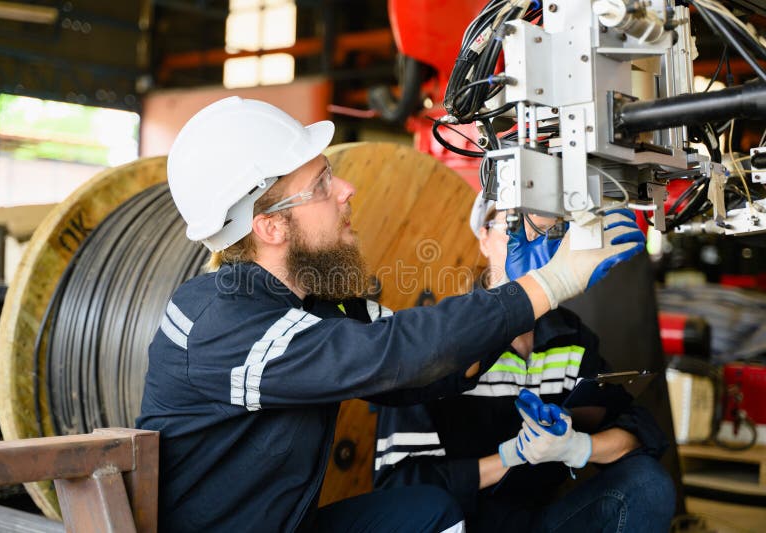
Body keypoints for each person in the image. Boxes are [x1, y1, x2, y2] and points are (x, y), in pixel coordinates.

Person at [135, 96, 644, 532]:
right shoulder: (222, 322)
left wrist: (511, 295)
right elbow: (390, 352)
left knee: (431, 513)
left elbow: (420, 369)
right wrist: (548, 284)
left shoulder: (311, 305)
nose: (346, 189)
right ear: (271, 227)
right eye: (322, 184)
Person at [373, 196, 676, 532]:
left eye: (546, 232)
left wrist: (578, 447)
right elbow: (399, 486)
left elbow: (639, 432)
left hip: (542, 520)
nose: (531, 246)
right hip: (459, 522)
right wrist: (510, 458)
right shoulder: (444, 336)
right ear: (484, 239)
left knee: (648, 484)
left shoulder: (570, 338)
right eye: (515, 228)